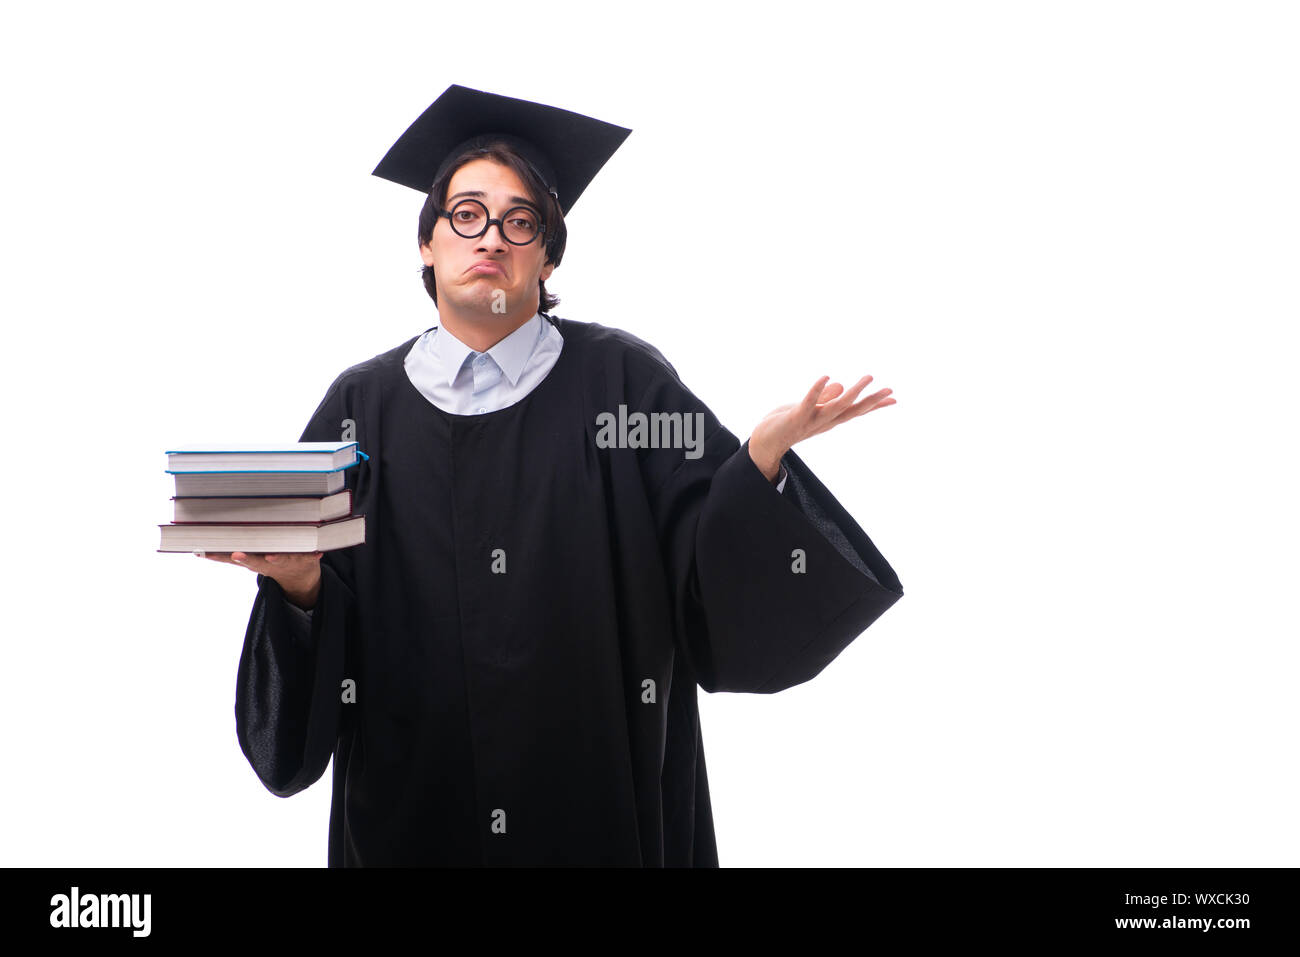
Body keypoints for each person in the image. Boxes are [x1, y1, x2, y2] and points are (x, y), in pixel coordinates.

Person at [203, 85, 904, 866]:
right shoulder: (356, 409)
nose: (490, 237)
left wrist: (758, 464)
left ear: (547, 254)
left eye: (520, 220)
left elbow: (708, 591)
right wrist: (300, 591)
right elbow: (303, 673)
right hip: (410, 819)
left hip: (597, 813)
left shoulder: (625, 384)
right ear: (427, 246)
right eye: (465, 214)